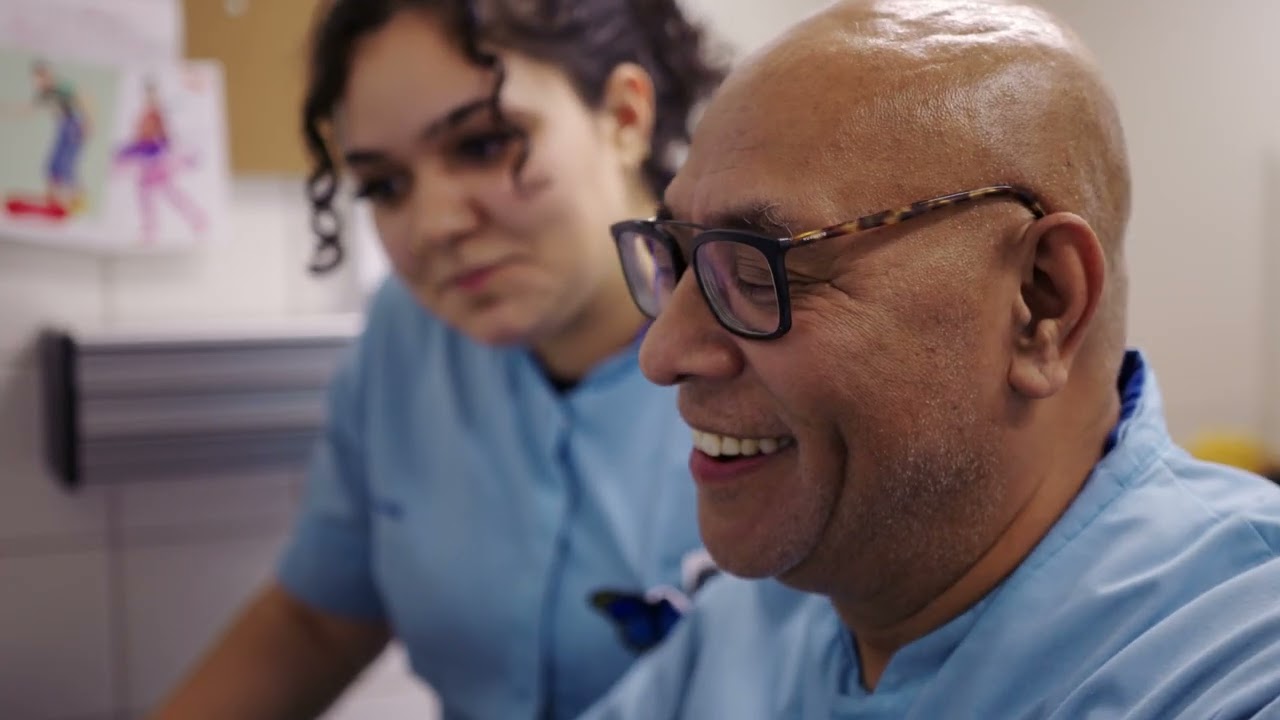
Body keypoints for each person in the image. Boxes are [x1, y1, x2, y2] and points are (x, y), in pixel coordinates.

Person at [585, 0, 1280, 717]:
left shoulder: (1237, 664)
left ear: (1042, 305)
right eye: (677, 258)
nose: (663, 353)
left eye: (759, 274)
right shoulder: (755, 623)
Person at [150, 0, 725, 718]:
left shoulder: (761, 348)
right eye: (386, 186)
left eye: (483, 144)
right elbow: (319, 622)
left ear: (624, 117)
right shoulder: (408, 331)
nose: (433, 226)